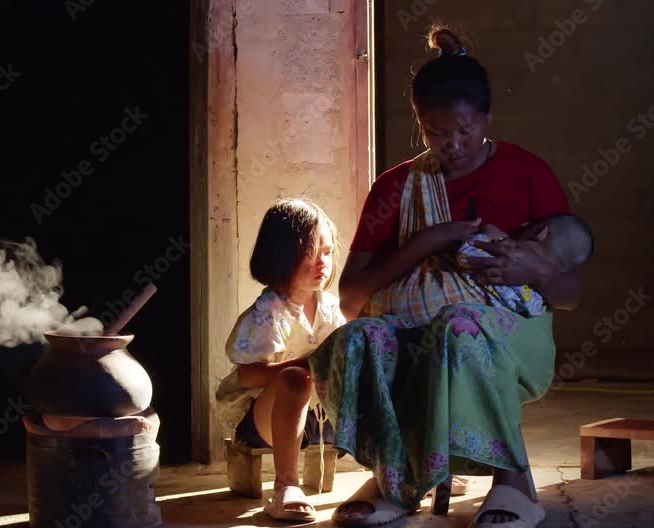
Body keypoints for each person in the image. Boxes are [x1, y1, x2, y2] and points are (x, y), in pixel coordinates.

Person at [307, 27, 584, 528]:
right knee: (358, 337)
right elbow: (350, 299)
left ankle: (514, 479)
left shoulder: (526, 172)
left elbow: (569, 297)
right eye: (436, 133)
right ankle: (393, 478)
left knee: (459, 325)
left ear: (487, 119)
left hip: (507, 339)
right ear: (419, 124)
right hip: (413, 331)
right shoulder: (396, 187)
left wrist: (534, 267)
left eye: (465, 132)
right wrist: (430, 240)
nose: (452, 146)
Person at [214, 198, 345, 522]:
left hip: (320, 419)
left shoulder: (329, 308)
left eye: (326, 253)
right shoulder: (268, 313)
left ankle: (401, 468)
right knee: (294, 378)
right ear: (280, 257)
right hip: (263, 421)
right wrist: (309, 360)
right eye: (309, 255)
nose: (321, 263)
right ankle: (286, 485)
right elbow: (249, 377)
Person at [457, 214, 595, 317]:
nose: (523, 225)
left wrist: (487, 235)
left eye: (530, 224)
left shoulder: (506, 251)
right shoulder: (538, 303)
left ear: (541, 232)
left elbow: (466, 255)